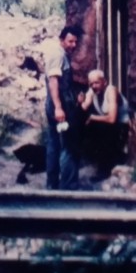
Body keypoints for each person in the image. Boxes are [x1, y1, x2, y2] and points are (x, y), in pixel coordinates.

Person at [43, 25, 83, 190]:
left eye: (75, 42)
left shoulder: (62, 55)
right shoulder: (57, 55)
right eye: (70, 41)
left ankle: (52, 185)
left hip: (60, 104)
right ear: (62, 40)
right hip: (58, 106)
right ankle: (68, 186)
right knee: (68, 145)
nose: (73, 45)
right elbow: (53, 82)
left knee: (54, 144)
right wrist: (59, 108)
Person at [80, 69, 130, 180]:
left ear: (105, 82)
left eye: (96, 83)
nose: (93, 86)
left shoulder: (111, 90)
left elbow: (112, 119)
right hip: (108, 125)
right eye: (91, 83)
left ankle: (104, 170)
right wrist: (80, 103)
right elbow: (83, 108)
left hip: (122, 127)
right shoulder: (93, 91)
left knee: (101, 130)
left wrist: (91, 118)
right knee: (82, 128)